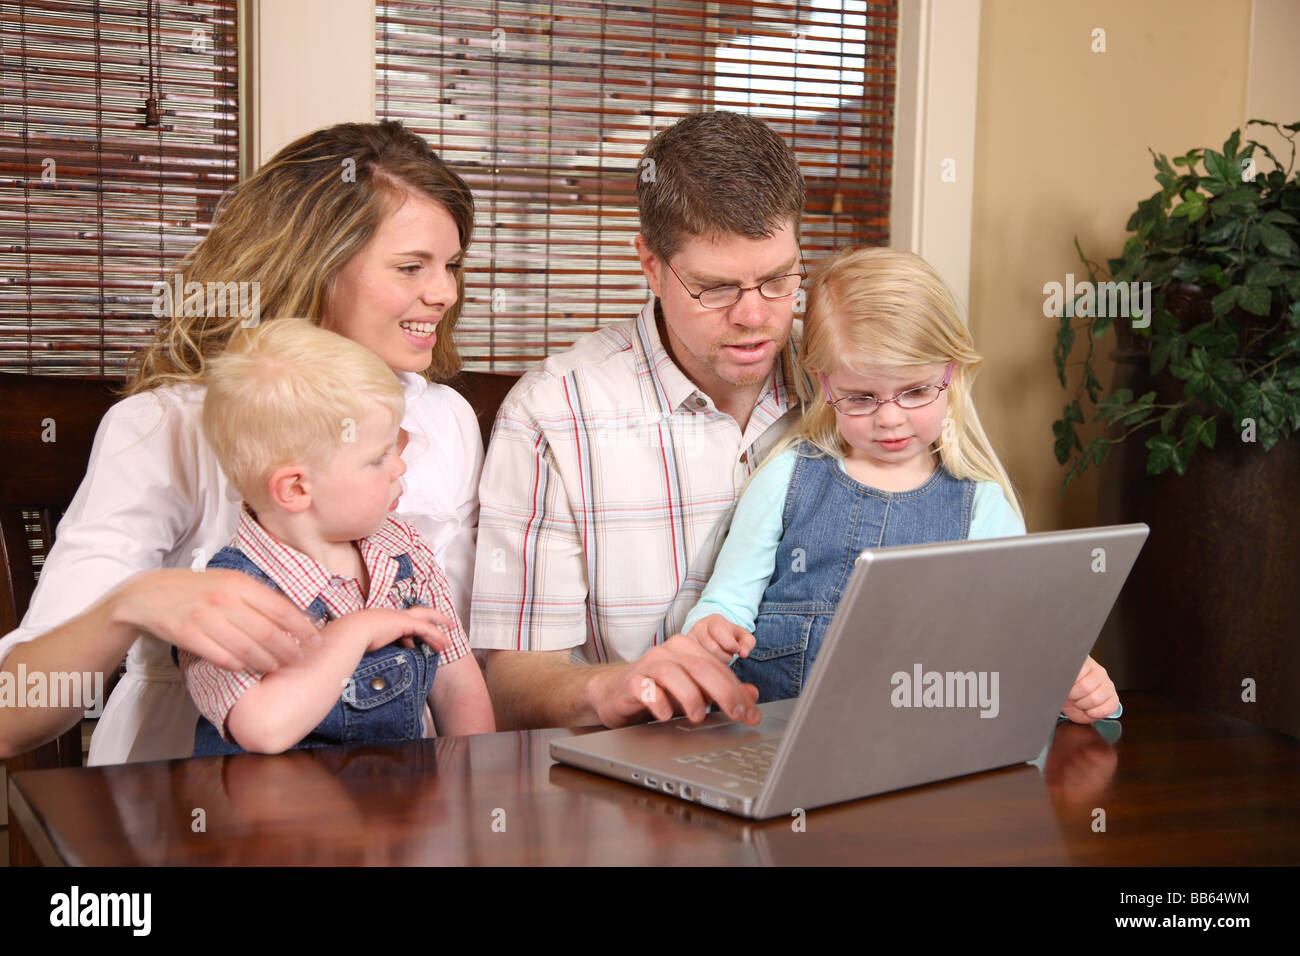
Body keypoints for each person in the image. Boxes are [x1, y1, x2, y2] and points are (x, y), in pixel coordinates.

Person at [0, 120, 483, 763]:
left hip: (389, 797)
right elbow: (14, 717)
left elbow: (454, 657)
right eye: (411, 266)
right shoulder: (163, 427)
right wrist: (129, 607)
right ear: (314, 265)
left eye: (450, 265)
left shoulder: (444, 419)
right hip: (184, 799)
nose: (445, 292)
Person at [682, 247, 1120, 722]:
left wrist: (1071, 686)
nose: (890, 419)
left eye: (915, 391)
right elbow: (727, 602)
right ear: (825, 386)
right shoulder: (786, 478)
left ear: (951, 375)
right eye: (861, 397)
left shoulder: (980, 506)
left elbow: (1017, 642)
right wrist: (711, 632)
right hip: (772, 749)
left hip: (924, 755)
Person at [471, 111, 805, 730]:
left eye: (779, 280)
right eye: (716, 288)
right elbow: (510, 683)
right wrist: (614, 687)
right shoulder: (552, 415)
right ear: (650, 265)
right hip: (636, 776)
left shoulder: (851, 386)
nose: (755, 316)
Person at [180, 320, 494, 754]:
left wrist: (477, 780)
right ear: (296, 490)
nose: (400, 466)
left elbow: (457, 684)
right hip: (271, 817)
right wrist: (356, 631)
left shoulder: (404, 551)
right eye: (378, 457)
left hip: (396, 805)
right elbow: (263, 729)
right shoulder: (227, 599)